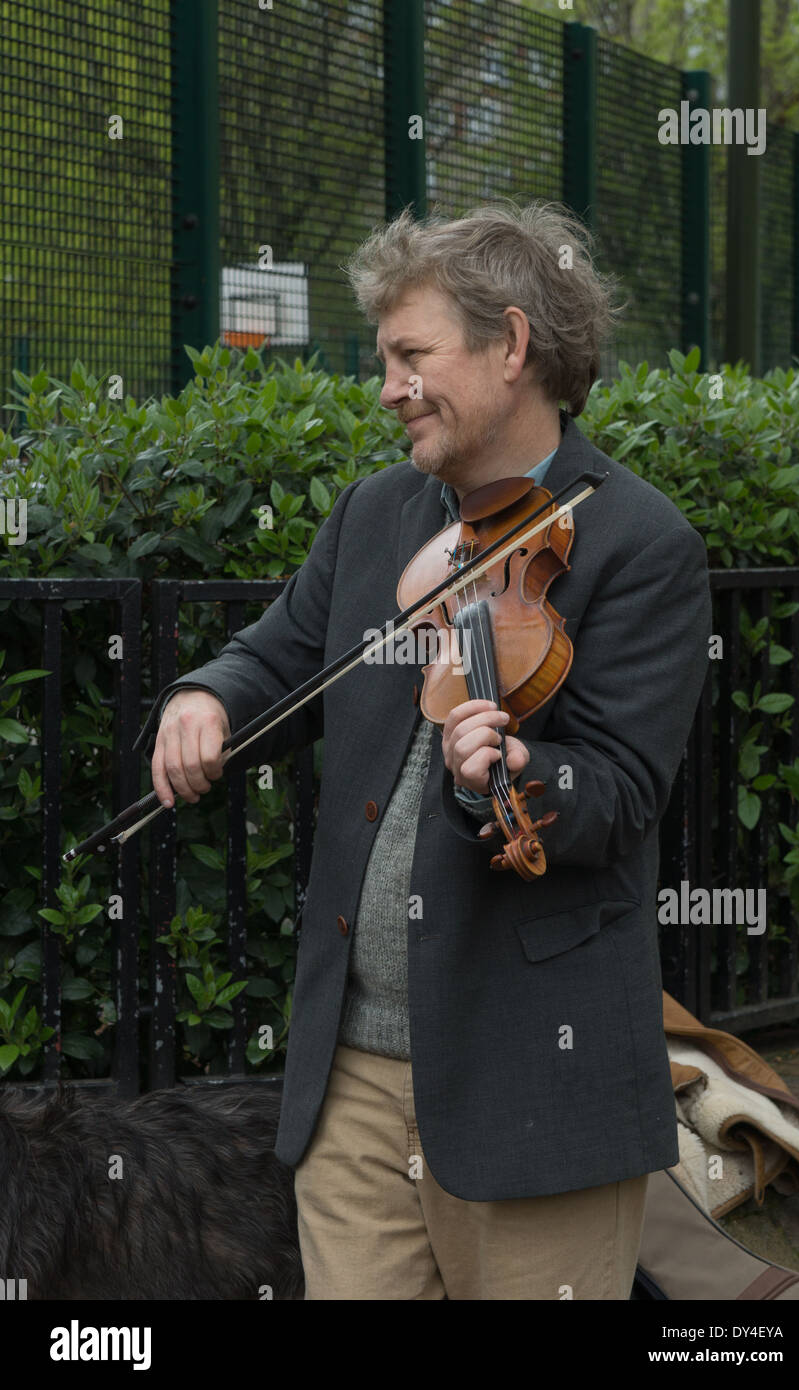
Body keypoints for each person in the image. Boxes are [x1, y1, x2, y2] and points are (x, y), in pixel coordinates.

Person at [135, 200, 712, 1300]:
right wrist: (206, 696)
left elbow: (620, 797)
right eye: (382, 360)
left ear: (510, 343)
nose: (387, 388)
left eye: (411, 356)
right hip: (352, 1072)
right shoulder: (376, 515)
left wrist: (508, 775)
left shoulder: (639, 544)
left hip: (527, 1071)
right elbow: (279, 651)